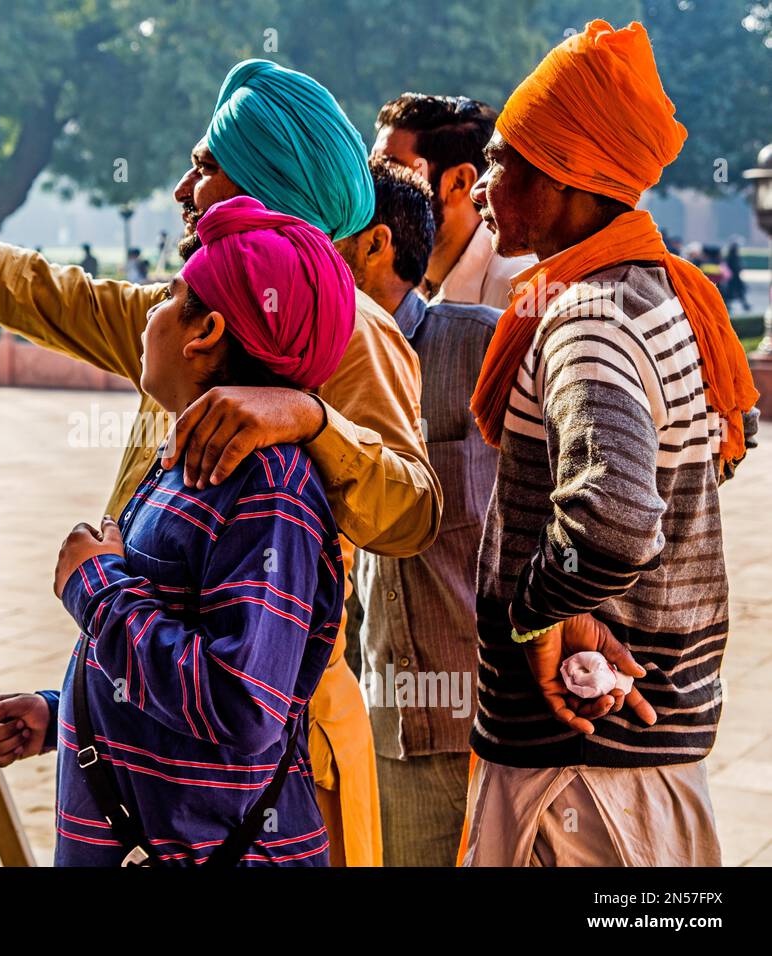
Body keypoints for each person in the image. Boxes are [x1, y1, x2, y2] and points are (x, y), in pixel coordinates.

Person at [0, 58, 442, 867]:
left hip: (249, 781)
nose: (185, 193)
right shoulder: (189, 310)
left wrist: (309, 416)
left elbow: (411, 512)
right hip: (148, 735)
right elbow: (28, 289)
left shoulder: (343, 335)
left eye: (206, 169)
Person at [0, 196, 354, 865]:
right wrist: (65, 713)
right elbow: (177, 653)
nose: (151, 316)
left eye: (168, 300)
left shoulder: (268, 488)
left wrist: (94, 586)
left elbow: (241, 704)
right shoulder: (191, 460)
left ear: (204, 336)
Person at [461, 20, 760, 866]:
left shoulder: (588, 316)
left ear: (565, 178)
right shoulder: (651, 294)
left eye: (502, 160)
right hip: (633, 754)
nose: (485, 184)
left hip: (586, 774)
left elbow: (618, 517)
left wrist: (536, 617)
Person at [333, 157, 499, 866]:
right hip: (387, 726)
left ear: (372, 246)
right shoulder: (322, 373)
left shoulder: (485, 346)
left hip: (487, 723)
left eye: (323, 237)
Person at [372, 93, 533, 309]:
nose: (372, 185)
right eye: (372, 169)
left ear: (458, 183)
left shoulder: (517, 292)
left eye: (390, 170)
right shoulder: (395, 278)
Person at [725, 240, 750, 312]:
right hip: (734, 278)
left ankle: (745, 305)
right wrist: (740, 268)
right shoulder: (733, 256)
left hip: (733, 278)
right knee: (736, 292)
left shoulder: (731, 255)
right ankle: (745, 305)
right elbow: (735, 266)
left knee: (736, 293)